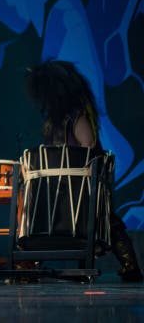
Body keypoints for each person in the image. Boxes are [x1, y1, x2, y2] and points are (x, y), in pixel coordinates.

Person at [25, 60, 143, 282]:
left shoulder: (76, 114)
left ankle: (131, 266)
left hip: (84, 182)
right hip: (61, 183)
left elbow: (88, 145)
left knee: (104, 217)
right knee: (48, 217)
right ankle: (31, 262)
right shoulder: (52, 120)